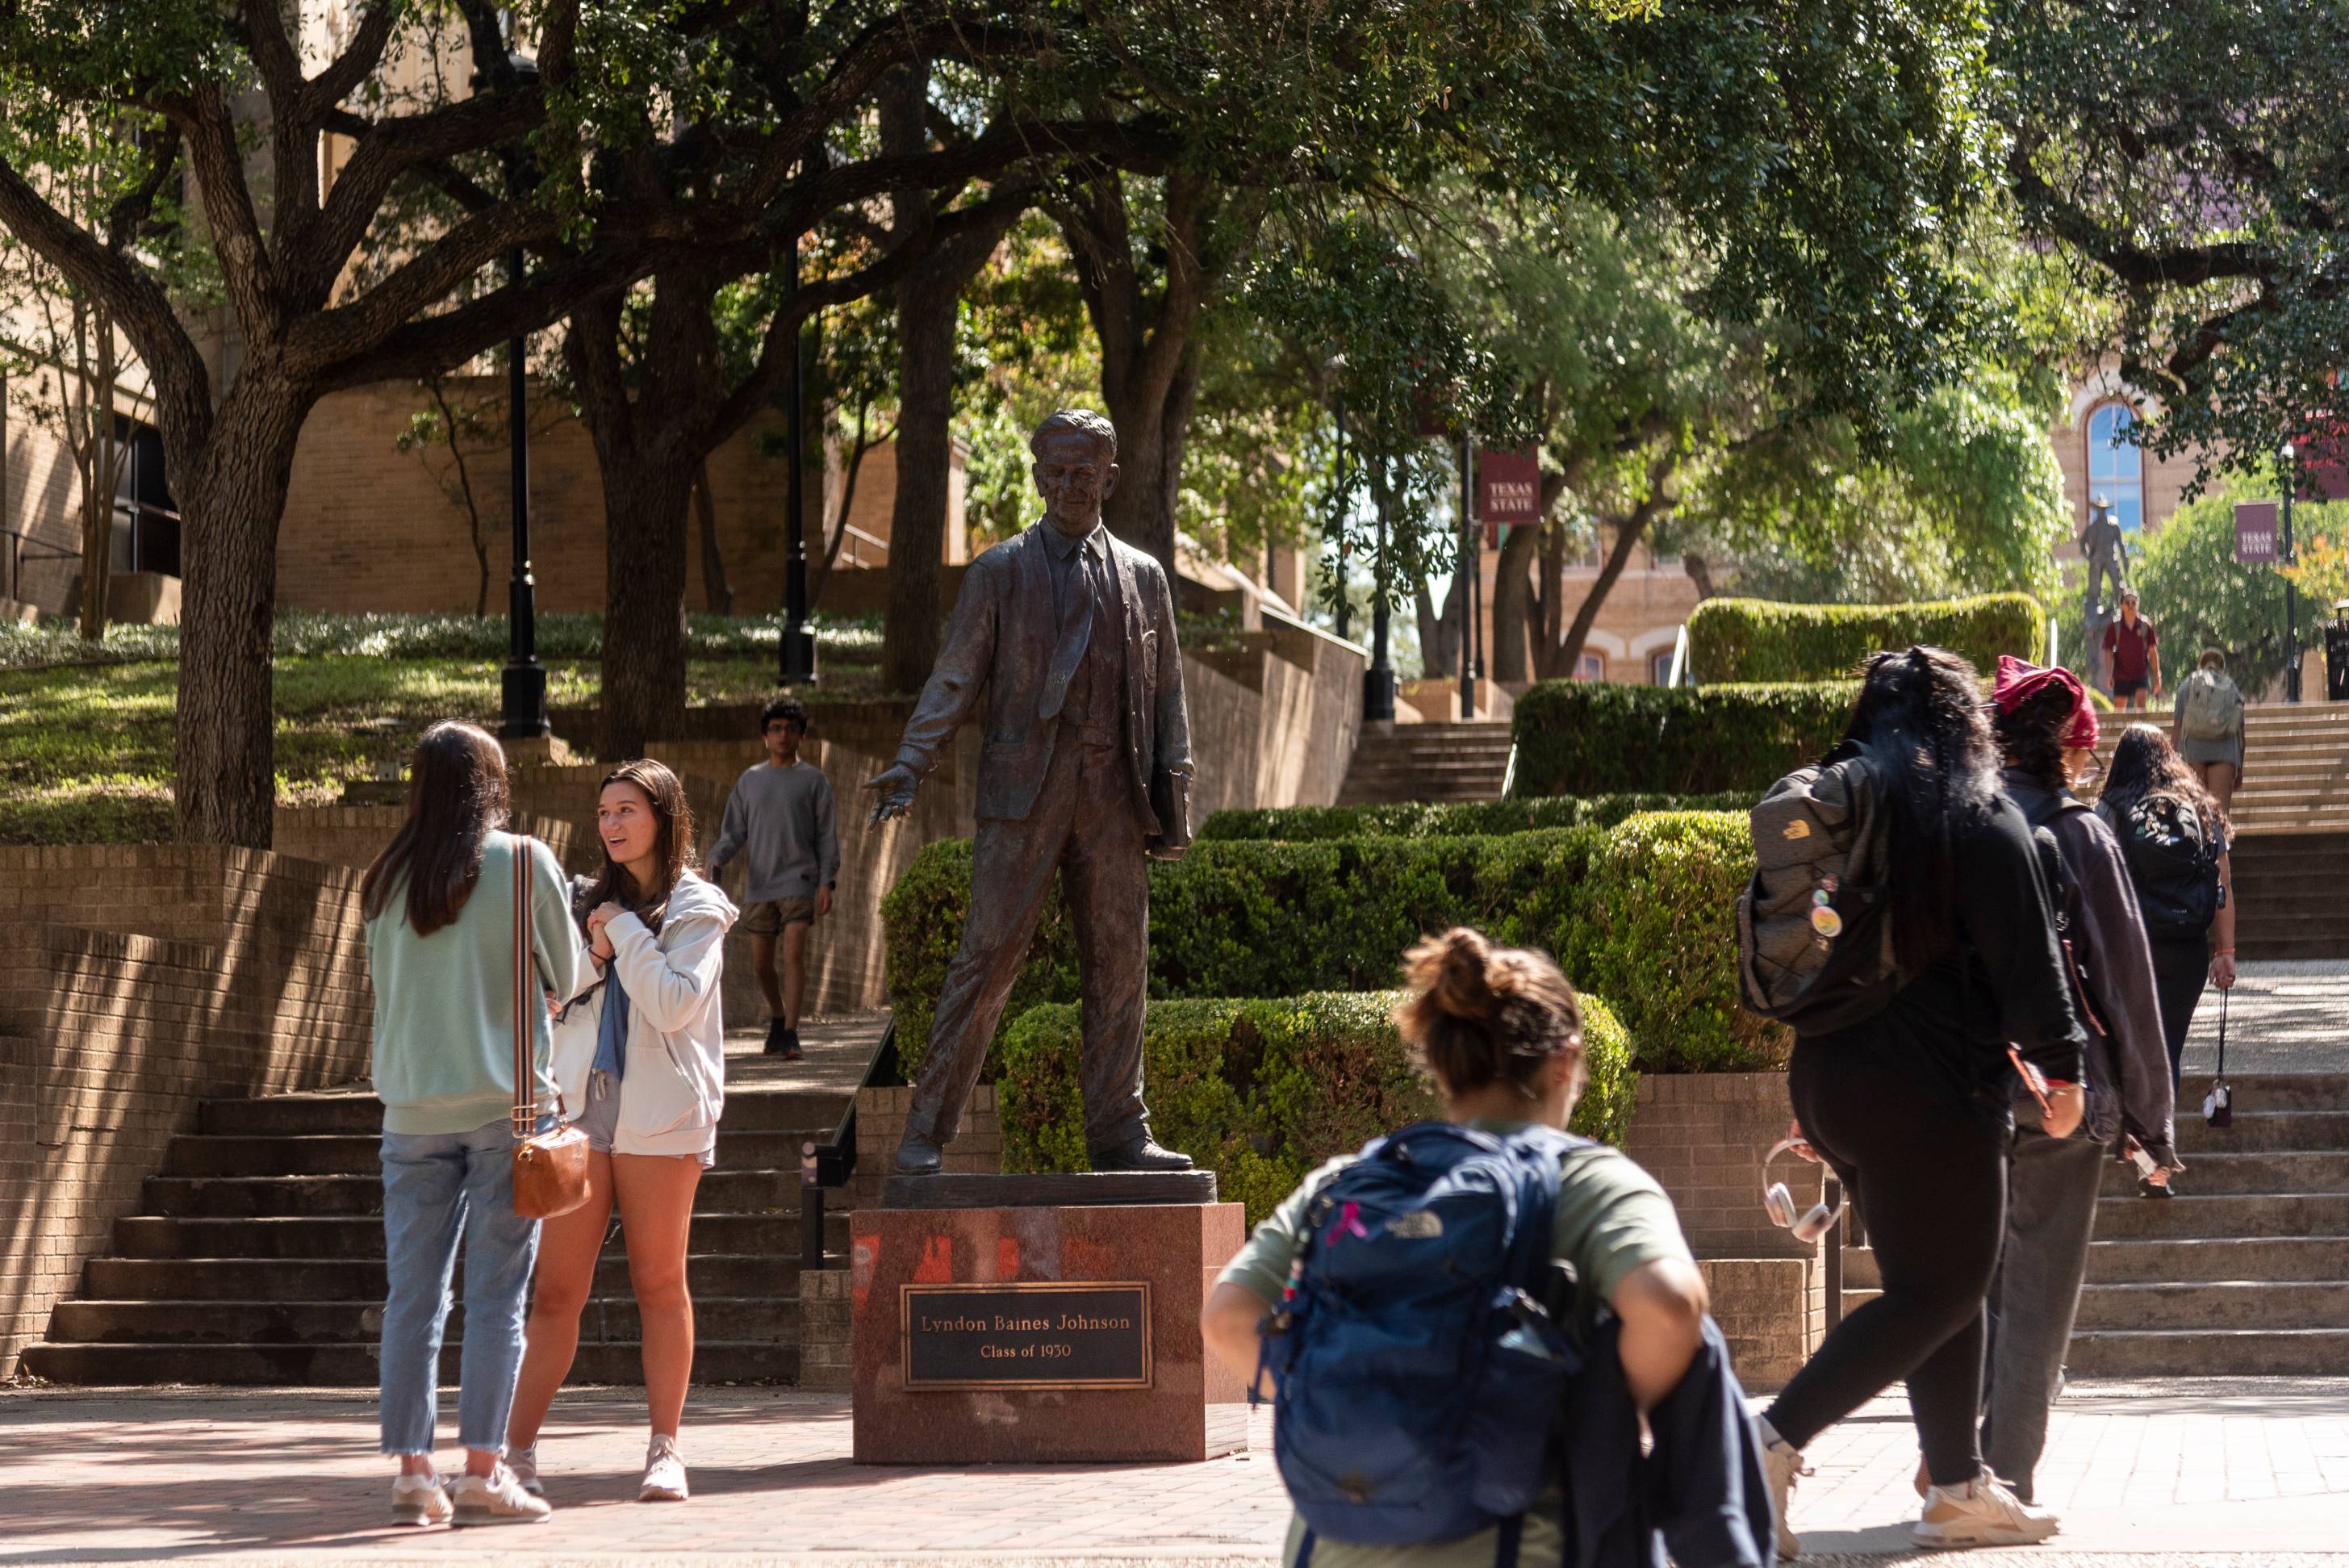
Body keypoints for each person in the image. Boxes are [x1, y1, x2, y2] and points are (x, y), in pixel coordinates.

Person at [1202, 928, 1771, 1568]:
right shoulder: (1586, 1179)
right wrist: (1587, 1404)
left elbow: (1225, 1316)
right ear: (1566, 1060)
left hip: (1332, 1547)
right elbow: (1669, 1306)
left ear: (1441, 1066)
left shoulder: (1344, 1181)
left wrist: (1354, 1395)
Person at [1757, 647, 2086, 1555]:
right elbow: (2032, 961)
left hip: (1828, 1083)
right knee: (1944, 1284)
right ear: (1963, 722)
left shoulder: (1849, 820)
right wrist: (2062, 1077)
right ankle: (1766, 1443)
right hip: (1928, 1091)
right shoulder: (1974, 815)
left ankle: (1956, 1486)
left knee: (1938, 1285)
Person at [362, 721, 579, 1528]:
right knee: (497, 1299)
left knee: (412, 1298)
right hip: (509, 1109)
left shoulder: (384, 877)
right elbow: (571, 972)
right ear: (493, 784)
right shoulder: (523, 861)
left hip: (411, 1109)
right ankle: (484, 1467)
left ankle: (414, 1472)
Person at [506, 759, 738, 1504]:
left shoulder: (699, 907)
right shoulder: (584, 902)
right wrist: (584, 960)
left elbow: (673, 1004)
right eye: (603, 811)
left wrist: (627, 933)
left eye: (626, 810)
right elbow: (558, 998)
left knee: (659, 1282)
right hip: (583, 1110)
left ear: (663, 817)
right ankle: (513, 1451)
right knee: (555, 1292)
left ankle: (665, 1450)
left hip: (662, 1114)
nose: (611, 824)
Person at [1977, 658, 2178, 1504]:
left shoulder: (1969, 827)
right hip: (2063, 1094)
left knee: (1974, 1284)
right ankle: (2006, 1470)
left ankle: (1956, 1461)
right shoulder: (2079, 832)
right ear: (2069, 748)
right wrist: (2152, 1127)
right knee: (2037, 1295)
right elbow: (2127, 987)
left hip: (1969, 1090)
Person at [2097, 723, 2238, 1094]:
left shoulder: (2111, 807)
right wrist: (2225, 952)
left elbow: (2094, 879)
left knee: (2128, 1049)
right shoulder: (2198, 806)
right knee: (2168, 1051)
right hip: (2186, 948)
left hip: (2131, 947)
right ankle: (2160, 1139)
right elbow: (2222, 881)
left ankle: (2133, 1140)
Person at [709, 696, 838, 1060]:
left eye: (790, 729)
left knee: (793, 954)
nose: (783, 735)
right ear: (766, 736)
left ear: (801, 736)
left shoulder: (815, 781)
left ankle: (793, 1033)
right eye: (776, 729)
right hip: (760, 886)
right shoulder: (750, 781)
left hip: (800, 882)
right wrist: (717, 858)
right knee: (761, 964)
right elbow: (734, 832)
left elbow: (827, 835)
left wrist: (827, 881)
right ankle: (778, 1017)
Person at [2173, 647, 2246, 815]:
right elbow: (2241, 733)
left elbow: (2177, 728)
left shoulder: (2187, 685)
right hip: (2224, 756)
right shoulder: (2231, 688)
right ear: (2222, 667)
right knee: (2220, 817)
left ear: (2201, 665)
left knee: (2196, 814)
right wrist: (2239, 767)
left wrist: (2172, 762)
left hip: (2192, 754)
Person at [2101, 589, 2160, 710]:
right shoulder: (2115, 626)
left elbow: (2153, 652)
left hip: (2140, 673)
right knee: (2119, 712)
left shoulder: (2145, 626)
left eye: (2134, 602)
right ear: (2122, 605)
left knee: (2141, 708)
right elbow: (2108, 651)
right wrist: (2108, 675)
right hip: (2121, 674)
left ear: (2138, 605)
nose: (2131, 606)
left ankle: (2140, 730)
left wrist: (2157, 676)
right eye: (2127, 602)